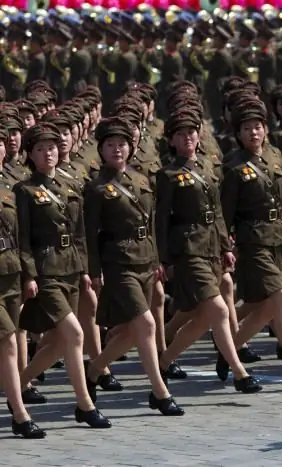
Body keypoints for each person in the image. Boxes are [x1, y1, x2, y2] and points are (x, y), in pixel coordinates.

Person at [81, 117, 184, 415]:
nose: (117, 150)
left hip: (144, 260)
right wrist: (93, 270)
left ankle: (95, 368)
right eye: (110, 145)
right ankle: (159, 391)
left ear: (131, 147)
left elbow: (150, 224)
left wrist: (156, 260)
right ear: (100, 149)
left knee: (129, 330)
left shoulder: (141, 179)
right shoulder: (97, 188)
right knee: (147, 323)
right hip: (117, 263)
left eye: (122, 144)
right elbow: (89, 233)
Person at [154, 108, 261, 393]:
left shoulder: (206, 167)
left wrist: (226, 245)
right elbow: (161, 220)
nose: (188, 138)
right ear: (172, 140)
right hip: (187, 249)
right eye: (181, 134)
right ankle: (239, 371)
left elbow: (217, 212)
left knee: (202, 317)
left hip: (211, 246)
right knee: (217, 308)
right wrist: (162, 259)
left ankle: (164, 361)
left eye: (191, 132)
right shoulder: (167, 174)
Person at [14, 122, 111, 428]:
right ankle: (84, 404)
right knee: (75, 333)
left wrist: (84, 270)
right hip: (46, 273)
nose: (47, 155)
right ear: (30, 155)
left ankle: (17, 385)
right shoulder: (24, 191)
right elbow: (23, 238)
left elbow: (80, 234)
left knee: (56, 343)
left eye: (52, 148)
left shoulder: (69, 187)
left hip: (70, 269)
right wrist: (29, 275)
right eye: (40, 150)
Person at [220, 97, 282, 392]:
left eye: (258, 127)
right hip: (253, 242)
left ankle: (228, 351)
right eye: (247, 128)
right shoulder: (234, 167)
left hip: (277, 239)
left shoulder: (275, 155)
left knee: (265, 309)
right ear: (238, 134)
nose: (254, 133)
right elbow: (225, 213)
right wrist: (227, 246)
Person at [0, 125, 45, 438]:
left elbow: (21, 236)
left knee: (13, 338)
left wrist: (28, 274)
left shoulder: (9, 189)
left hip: (10, 274)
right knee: (7, 344)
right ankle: (19, 413)